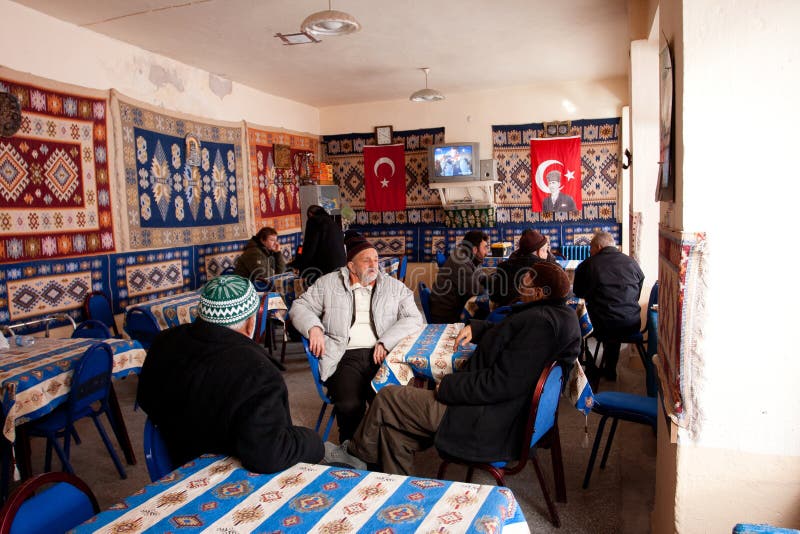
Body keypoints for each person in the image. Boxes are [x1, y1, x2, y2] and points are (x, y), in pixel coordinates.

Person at [325, 262, 581, 475]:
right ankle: (399, 493)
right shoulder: (557, 315)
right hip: (496, 412)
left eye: (525, 284)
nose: (519, 287)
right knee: (392, 433)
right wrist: (479, 328)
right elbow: (512, 338)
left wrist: (446, 385)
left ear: (539, 293)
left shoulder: (540, 326)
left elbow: (500, 384)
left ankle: (354, 457)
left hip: (486, 419)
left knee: (387, 397)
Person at [137, 275, 324, 473]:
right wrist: (314, 442)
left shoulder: (163, 342)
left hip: (172, 464)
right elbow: (268, 455)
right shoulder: (257, 373)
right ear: (250, 323)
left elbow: (145, 399)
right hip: (225, 478)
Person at [290, 235, 423, 443]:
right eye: (366, 260)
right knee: (349, 404)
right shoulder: (328, 284)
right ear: (351, 266)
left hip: (382, 355)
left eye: (376, 260)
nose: (374, 266)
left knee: (389, 402)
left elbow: (415, 318)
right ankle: (350, 451)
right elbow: (299, 306)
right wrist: (313, 327)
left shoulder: (393, 287)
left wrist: (385, 341)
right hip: (343, 355)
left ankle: (376, 451)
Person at [573, 231, 645, 381]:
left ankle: (587, 369)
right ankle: (610, 368)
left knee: (577, 325)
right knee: (614, 317)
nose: (590, 253)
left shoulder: (588, 265)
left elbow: (579, 292)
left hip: (603, 325)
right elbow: (638, 288)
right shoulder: (631, 263)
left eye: (590, 249)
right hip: (632, 323)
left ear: (598, 247)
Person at [429, 230, 490, 323]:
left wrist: (491, 280)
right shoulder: (460, 261)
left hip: (451, 308)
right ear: (474, 249)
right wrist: (495, 288)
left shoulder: (467, 257)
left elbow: (480, 276)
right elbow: (477, 291)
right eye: (485, 248)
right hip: (447, 316)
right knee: (488, 315)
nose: (487, 252)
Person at [488, 229, 556, 307]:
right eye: (545, 250)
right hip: (540, 316)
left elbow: (495, 297)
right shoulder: (549, 269)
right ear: (539, 252)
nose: (547, 254)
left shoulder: (503, 267)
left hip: (510, 316)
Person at [292, 205, 347, 285]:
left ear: (310, 214)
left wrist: (302, 268)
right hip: (340, 268)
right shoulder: (333, 223)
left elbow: (310, 248)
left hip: (324, 268)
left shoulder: (314, 221)